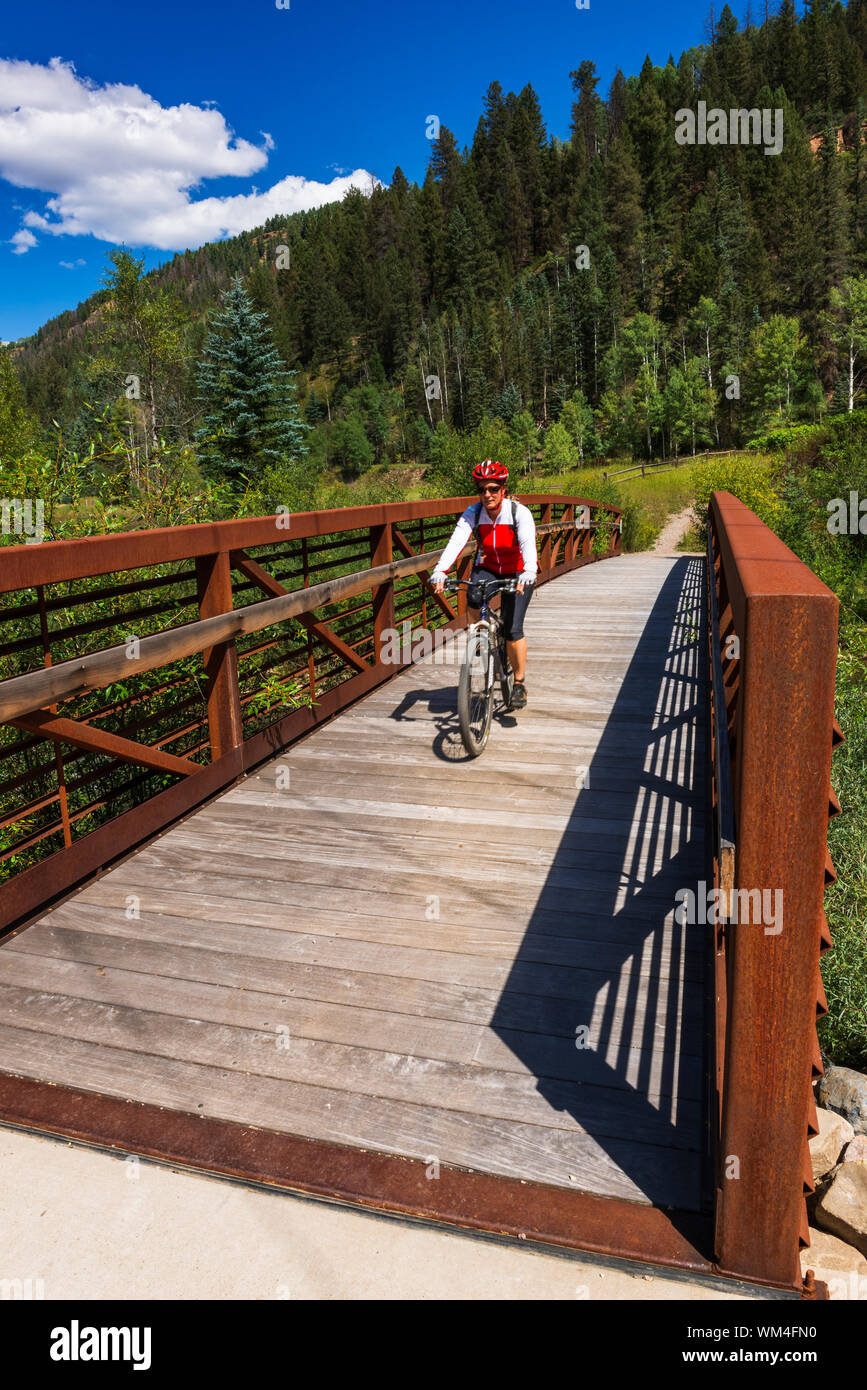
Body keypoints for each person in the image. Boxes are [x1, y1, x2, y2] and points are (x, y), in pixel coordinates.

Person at [431, 459, 538, 710]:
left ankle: (519, 683)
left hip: (518, 572)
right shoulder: (474, 513)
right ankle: (478, 634)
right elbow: (457, 542)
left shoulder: (518, 513)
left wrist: (529, 571)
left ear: (503, 489)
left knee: (512, 629)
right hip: (488, 567)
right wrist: (440, 571)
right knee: (473, 597)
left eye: (493, 489)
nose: (487, 494)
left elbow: (528, 546)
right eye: (482, 489)